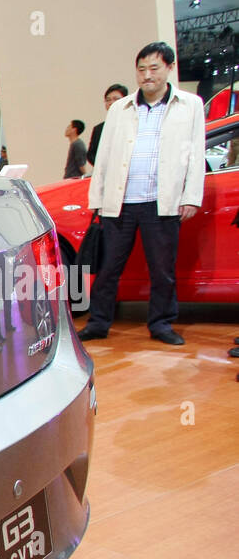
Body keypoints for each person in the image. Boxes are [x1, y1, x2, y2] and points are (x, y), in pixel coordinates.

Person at [79, 42, 205, 345]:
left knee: (162, 270)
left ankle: (161, 324)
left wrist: (191, 197)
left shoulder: (190, 105)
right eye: (141, 69)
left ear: (170, 69)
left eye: (154, 68)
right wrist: (97, 199)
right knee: (109, 268)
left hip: (162, 202)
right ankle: (98, 322)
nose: (147, 75)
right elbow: (105, 155)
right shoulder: (121, 108)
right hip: (120, 203)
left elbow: (196, 154)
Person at [88, 83, 130, 168]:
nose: (111, 103)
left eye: (116, 99)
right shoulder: (98, 129)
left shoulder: (132, 125)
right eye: (108, 100)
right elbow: (91, 154)